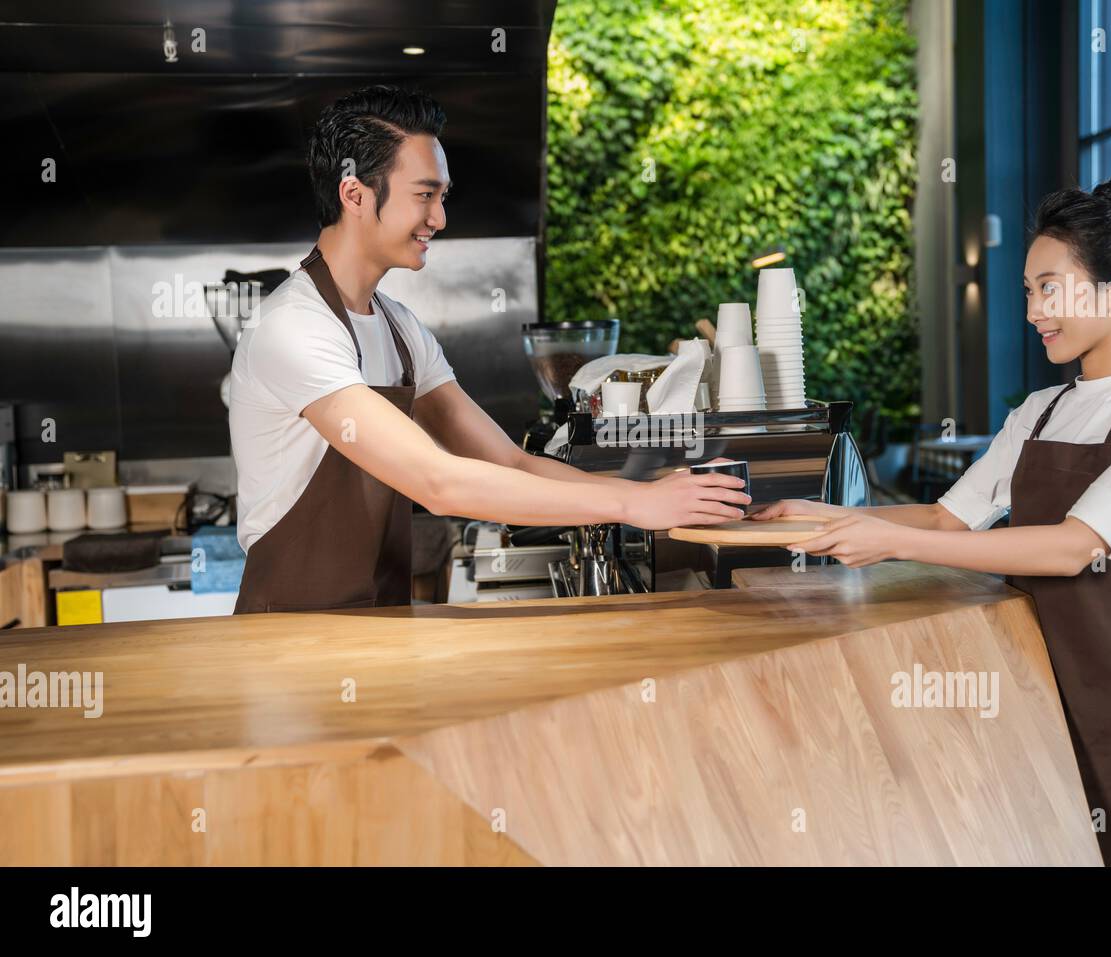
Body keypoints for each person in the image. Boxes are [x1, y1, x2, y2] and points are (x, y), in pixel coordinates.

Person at [753, 165, 1111, 866]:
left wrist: (886, 541)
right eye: (1029, 292)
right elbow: (948, 521)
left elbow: (1072, 547)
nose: (1034, 311)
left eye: (1050, 288)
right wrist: (824, 514)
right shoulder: (1038, 412)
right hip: (1041, 715)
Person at [228, 85, 747, 614]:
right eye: (424, 195)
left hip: (375, 627)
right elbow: (438, 481)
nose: (440, 219)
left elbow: (510, 461)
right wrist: (633, 504)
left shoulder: (400, 329)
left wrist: (647, 489)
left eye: (442, 197)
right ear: (355, 194)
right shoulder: (293, 327)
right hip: (288, 637)